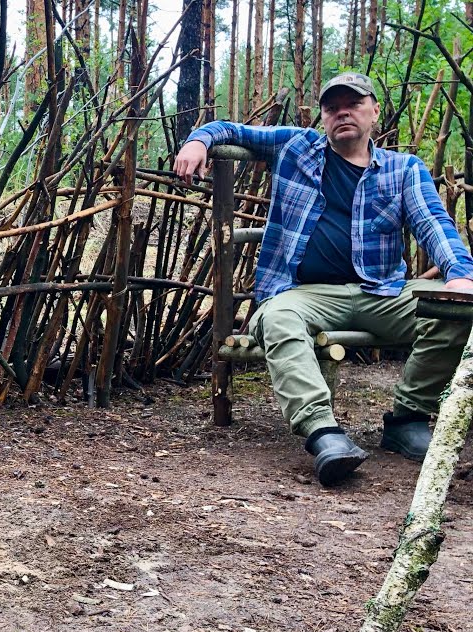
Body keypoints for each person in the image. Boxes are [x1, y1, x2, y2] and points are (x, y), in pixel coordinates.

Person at [173, 72, 473, 485]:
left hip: (382, 291)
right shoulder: (297, 147)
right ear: (323, 118)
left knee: (457, 310)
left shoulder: (404, 169)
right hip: (303, 293)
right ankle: (324, 434)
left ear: (374, 112)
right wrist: (197, 140)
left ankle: (406, 419)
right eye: (332, 107)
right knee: (277, 319)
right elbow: (228, 127)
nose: (342, 113)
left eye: (353, 104)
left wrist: (461, 275)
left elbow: (434, 223)